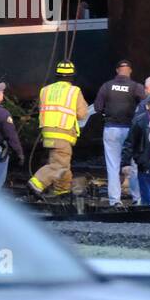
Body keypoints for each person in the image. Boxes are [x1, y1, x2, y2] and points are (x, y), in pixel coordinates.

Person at [28, 61, 89, 200]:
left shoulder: (45, 90)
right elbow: (82, 113)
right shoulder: (74, 91)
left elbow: (41, 108)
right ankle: (36, 183)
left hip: (47, 132)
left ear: (56, 75)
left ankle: (61, 191)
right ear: (72, 76)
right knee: (58, 165)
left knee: (63, 164)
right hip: (63, 132)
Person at [93, 59, 145, 206]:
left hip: (111, 129)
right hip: (130, 130)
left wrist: (107, 112)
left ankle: (115, 201)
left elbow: (97, 107)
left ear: (117, 71)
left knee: (113, 166)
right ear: (130, 71)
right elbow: (146, 105)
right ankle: (138, 199)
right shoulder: (136, 87)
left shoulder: (107, 86)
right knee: (135, 165)